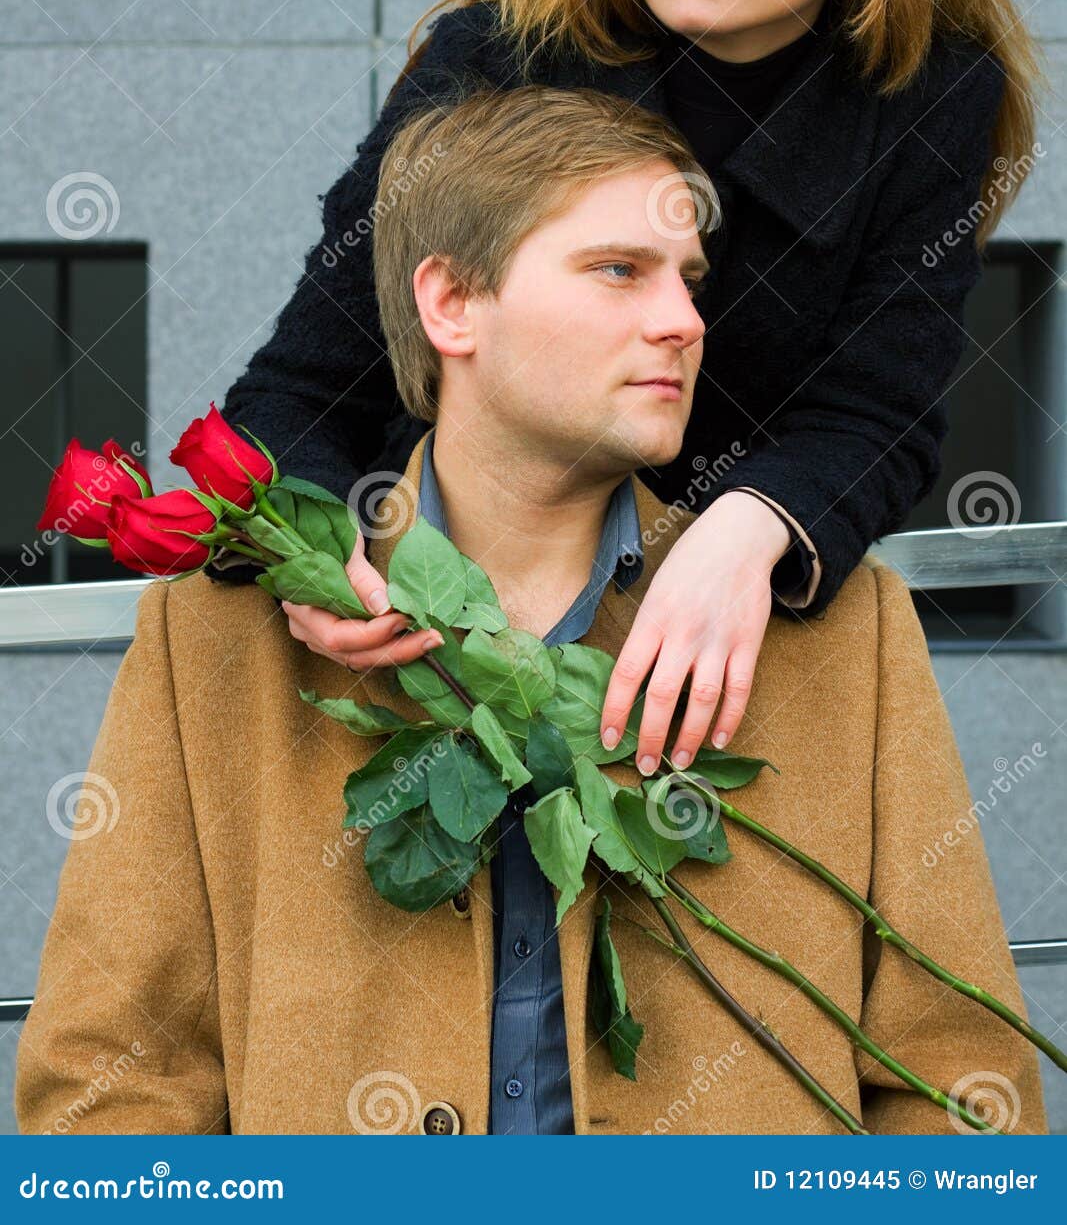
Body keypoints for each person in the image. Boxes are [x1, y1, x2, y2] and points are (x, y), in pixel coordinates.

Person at [15, 85, 1047, 1136]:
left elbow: (954, 1077)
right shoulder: (218, 635)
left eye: (688, 282)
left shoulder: (837, 627)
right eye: (617, 271)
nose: (684, 321)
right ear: (450, 302)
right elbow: (110, 1080)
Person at [207, 0, 1046, 768]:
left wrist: (748, 530)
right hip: (434, 640)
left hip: (723, 654)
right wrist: (315, 553)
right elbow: (302, 386)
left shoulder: (928, 94)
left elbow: (878, 409)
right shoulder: (495, 55)